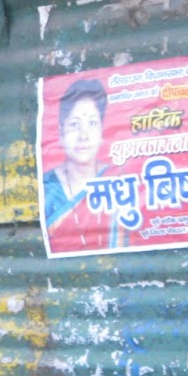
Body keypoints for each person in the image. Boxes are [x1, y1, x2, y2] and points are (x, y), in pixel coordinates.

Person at [42, 77, 126, 251]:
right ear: (61, 130)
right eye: (74, 124)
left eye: (92, 123)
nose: (84, 135)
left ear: (103, 129)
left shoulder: (118, 183)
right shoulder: (46, 188)